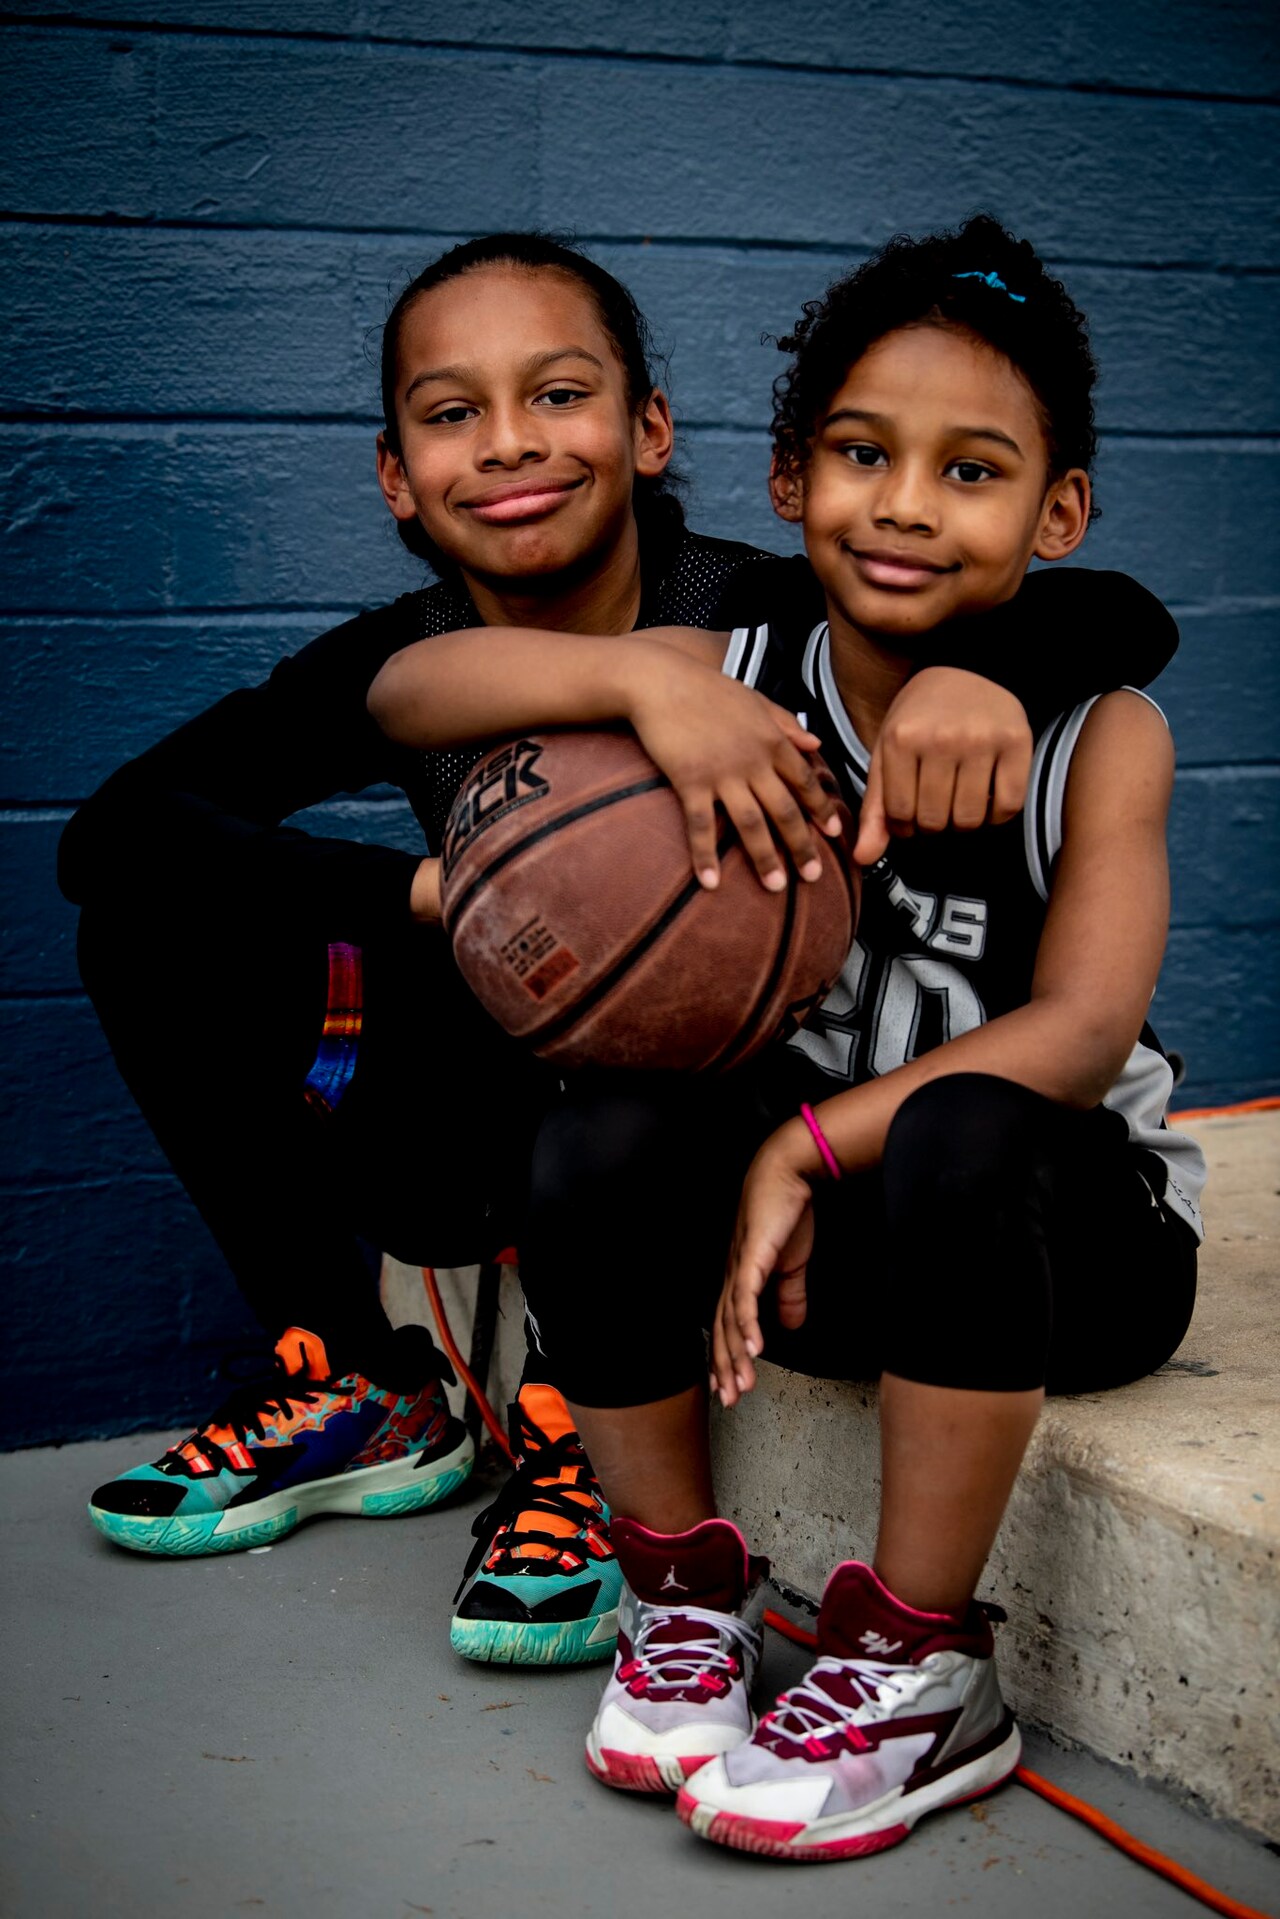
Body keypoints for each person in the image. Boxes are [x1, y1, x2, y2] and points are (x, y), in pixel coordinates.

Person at [61, 230, 1179, 1679]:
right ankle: (355, 1370)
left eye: (559, 393)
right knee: (153, 923)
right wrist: (437, 881)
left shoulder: (759, 609)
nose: (510, 444)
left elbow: (1100, 611)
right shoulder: (416, 646)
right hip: (506, 1083)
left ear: (650, 430)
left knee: (673, 1073)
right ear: (397, 474)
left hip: (745, 1103)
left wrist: (983, 676)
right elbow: (121, 834)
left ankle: (583, 1435)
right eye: (452, 413)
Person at [368, 212, 1206, 1858]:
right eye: (859, 455)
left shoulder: (1098, 732)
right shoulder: (731, 668)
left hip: (1046, 1243)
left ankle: (917, 1661)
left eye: (971, 472)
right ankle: (680, 1588)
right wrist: (645, 693)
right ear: (783, 480)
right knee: (597, 1125)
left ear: (1061, 513)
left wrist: (802, 1142)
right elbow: (407, 698)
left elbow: (1089, 1029)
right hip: (808, 1270)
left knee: (973, 1127)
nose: (902, 504)